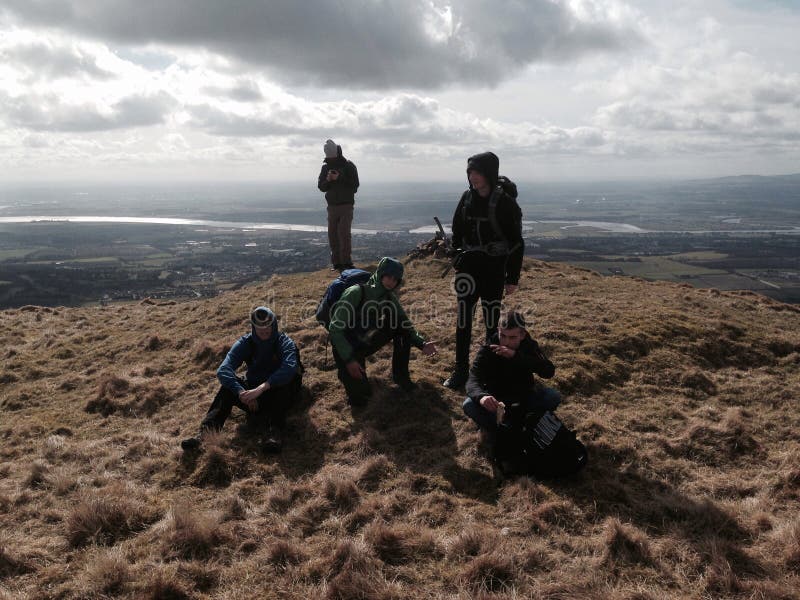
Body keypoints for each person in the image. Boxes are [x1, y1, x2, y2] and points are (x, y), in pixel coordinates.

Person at [443, 151, 524, 390]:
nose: (473, 177)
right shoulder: (466, 198)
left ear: (489, 173)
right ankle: (460, 371)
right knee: (463, 321)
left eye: (477, 172)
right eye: (470, 172)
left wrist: (512, 278)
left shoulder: (504, 203)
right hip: (468, 268)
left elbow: (516, 242)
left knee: (491, 322)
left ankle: (489, 369)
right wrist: (457, 254)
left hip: (493, 269)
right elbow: (457, 231)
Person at [181, 306, 301, 453]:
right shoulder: (246, 342)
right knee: (226, 389)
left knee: (283, 385)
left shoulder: (284, 342)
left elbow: (289, 369)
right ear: (253, 326)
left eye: (268, 326)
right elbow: (223, 370)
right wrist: (242, 393)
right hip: (251, 395)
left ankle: (274, 433)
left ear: (274, 324)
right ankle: (206, 433)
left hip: (276, 392)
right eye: (259, 326)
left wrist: (262, 388)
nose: (264, 330)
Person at [328, 257, 438, 406]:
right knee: (361, 400)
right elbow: (335, 330)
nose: (391, 282)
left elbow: (404, 322)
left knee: (401, 328)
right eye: (388, 276)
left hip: (364, 340)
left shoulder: (388, 297)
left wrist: (421, 343)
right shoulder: (355, 292)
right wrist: (349, 360)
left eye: (395, 279)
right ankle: (345, 372)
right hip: (346, 346)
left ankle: (401, 377)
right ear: (380, 273)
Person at [462, 311, 559, 441]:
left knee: (552, 396)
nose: (506, 342)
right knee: (469, 405)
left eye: (512, 337)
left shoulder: (529, 346)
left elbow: (548, 371)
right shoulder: (488, 348)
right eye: (503, 336)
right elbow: (473, 379)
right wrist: (482, 397)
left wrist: (516, 356)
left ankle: (521, 422)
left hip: (524, 398)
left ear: (522, 334)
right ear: (498, 330)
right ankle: (499, 429)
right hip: (497, 403)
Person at [318, 139, 359, 271]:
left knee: (344, 234)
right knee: (333, 235)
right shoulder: (325, 168)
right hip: (332, 207)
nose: (330, 157)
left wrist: (339, 178)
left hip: (346, 206)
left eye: (331, 154)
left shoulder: (348, 166)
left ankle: (346, 262)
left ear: (337, 152)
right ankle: (336, 263)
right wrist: (328, 180)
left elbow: (355, 186)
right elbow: (321, 187)